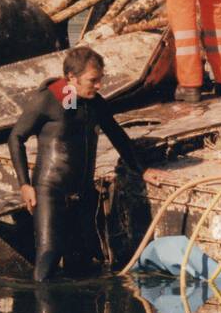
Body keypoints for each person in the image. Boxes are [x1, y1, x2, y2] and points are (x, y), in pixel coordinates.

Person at [7, 46, 144, 282]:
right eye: (93, 80)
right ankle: (41, 308)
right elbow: (15, 137)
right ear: (72, 77)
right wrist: (24, 185)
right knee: (49, 256)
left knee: (80, 262)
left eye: (101, 79)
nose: (99, 85)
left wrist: (142, 170)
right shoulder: (48, 100)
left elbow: (117, 135)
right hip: (50, 190)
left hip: (82, 193)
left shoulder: (89, 102)